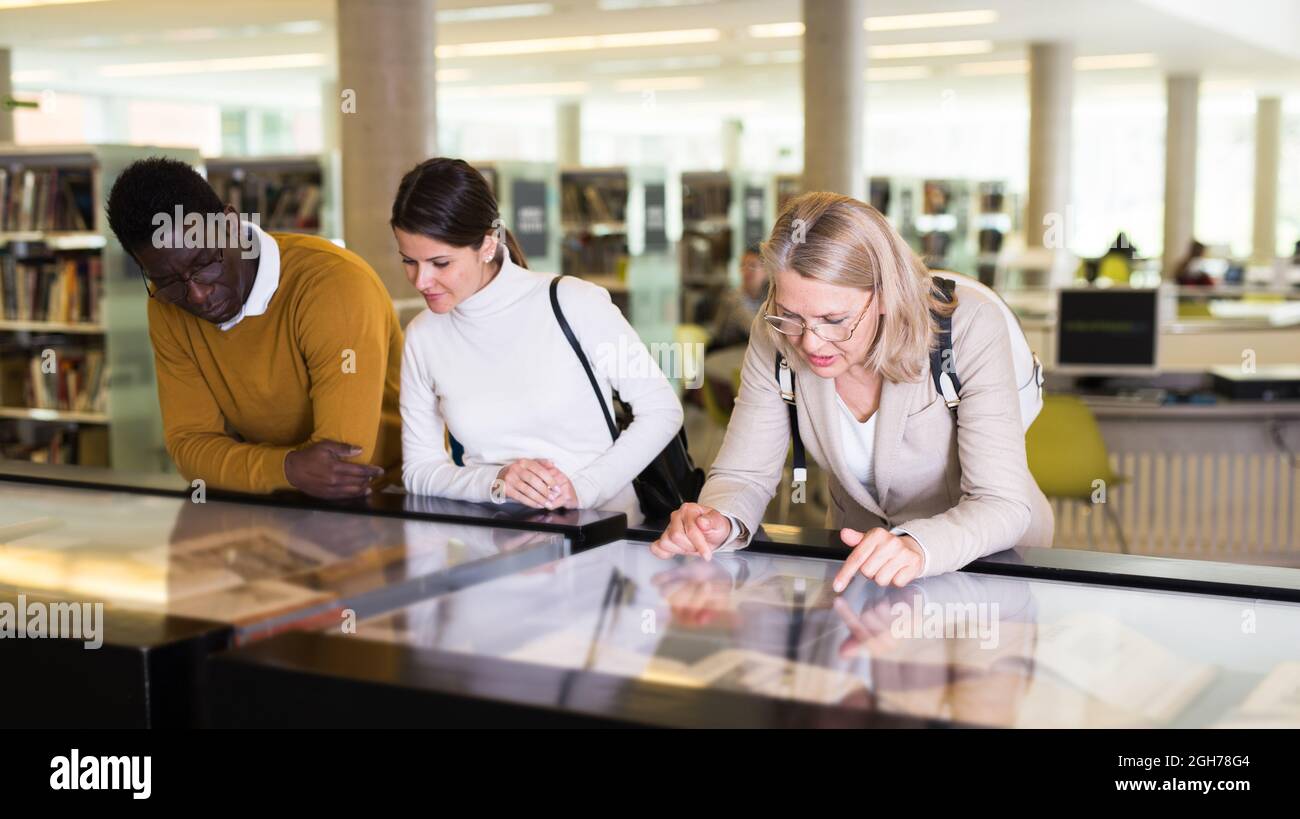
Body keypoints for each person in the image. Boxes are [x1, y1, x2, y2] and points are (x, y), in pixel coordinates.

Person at [651, 192, 1053, 588]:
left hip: (987, 565)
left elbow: (1001, 502)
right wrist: (718, 519)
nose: (810, 343)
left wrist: (916, 546)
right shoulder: (773, 332)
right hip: (861, 565)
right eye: (791, 316)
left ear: (884, 294)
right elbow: (744, 473)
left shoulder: (968, 327)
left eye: (834, 319)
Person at [393, 158, 682, 518]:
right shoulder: (423, 336)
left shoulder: (575, 303)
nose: (421, 281)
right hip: (496, 549)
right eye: (409, 261)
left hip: (599, 537)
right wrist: (496, 482)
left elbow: (662, 410)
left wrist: (582, 489)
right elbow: (419, 471)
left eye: (440, 263)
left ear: (487, 244)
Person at [105, 157, 402, 499]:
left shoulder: (333, 284)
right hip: (276, 503)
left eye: (205, 262)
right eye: (168, 280)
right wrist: (289, 468)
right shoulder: (166, 303)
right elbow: (190, 451)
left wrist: (246, 467)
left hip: (393, 499)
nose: (198, 295)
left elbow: (342, 465)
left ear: (230, 224)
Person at [707, 245, 770, 352]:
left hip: (745, 350)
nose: (746, 270)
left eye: (752, 265)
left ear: (766, 271)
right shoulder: (733, 297)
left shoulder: (765, 296)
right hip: (722, 351)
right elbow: (755, 330)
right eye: (743, 265)